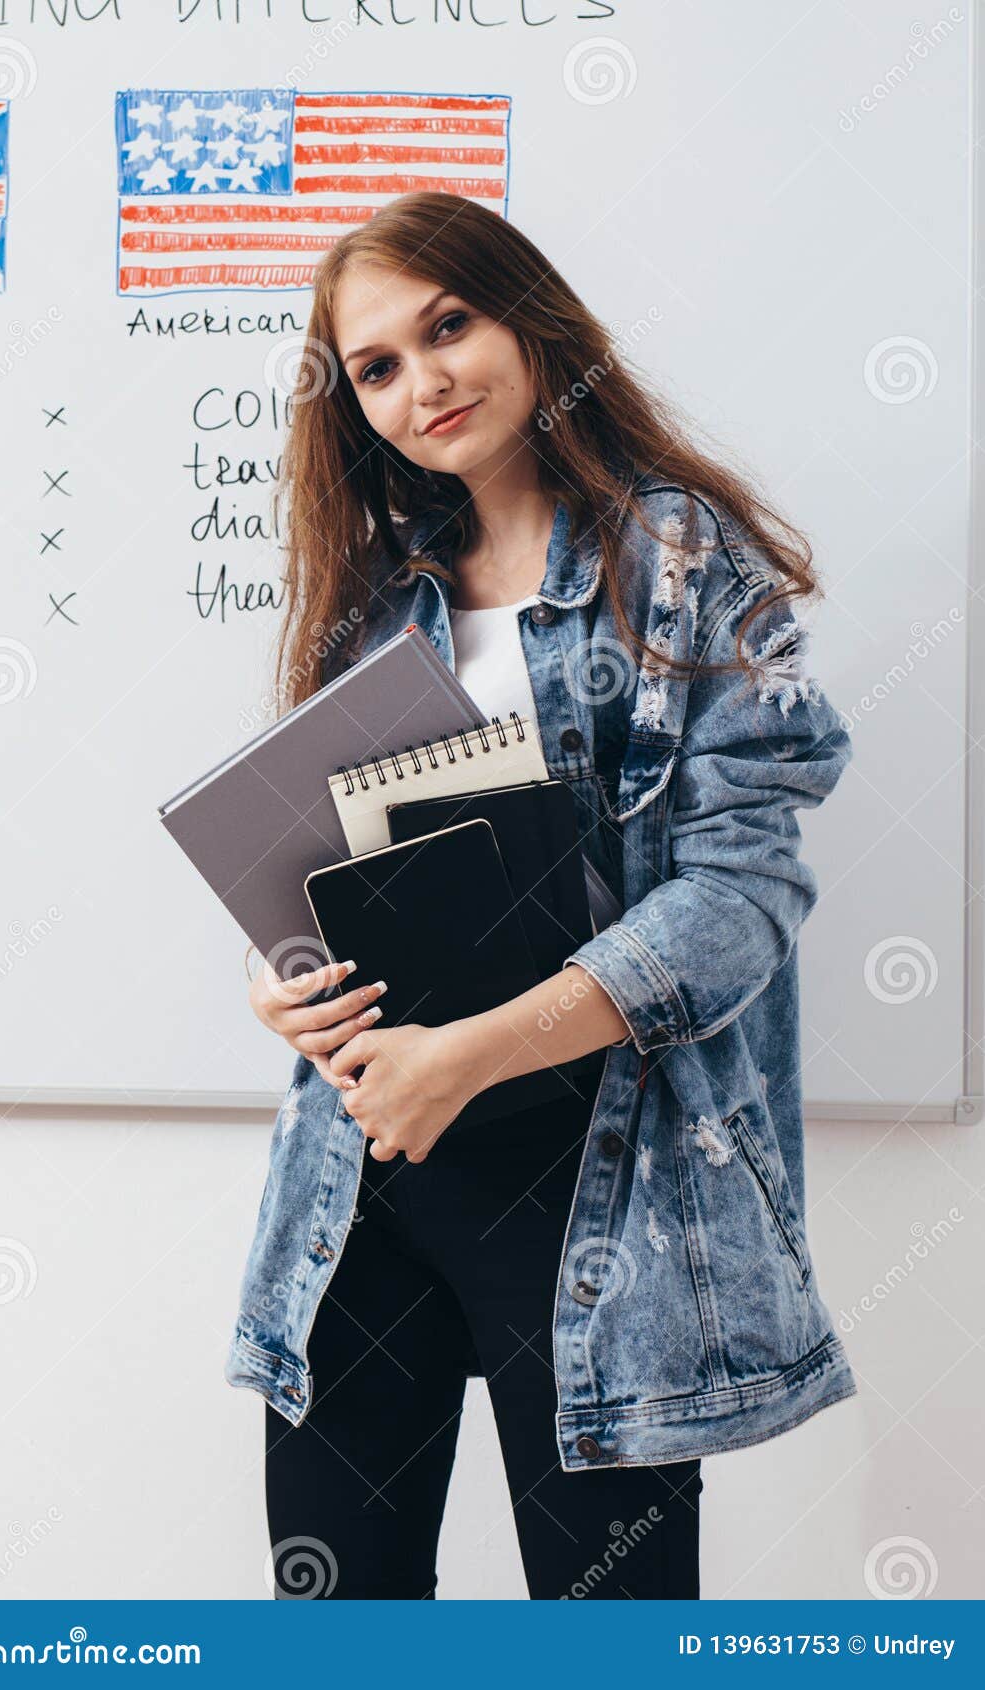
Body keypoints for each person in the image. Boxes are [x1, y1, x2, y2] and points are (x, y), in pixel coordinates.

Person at [226, 190, 857, 1600]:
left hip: (602, 1189)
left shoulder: (684, 562)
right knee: (340, 1620)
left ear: (529, 317)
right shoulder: (383, 601)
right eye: (375, 366)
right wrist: (286, 976)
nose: (422, 380)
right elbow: (341, 881)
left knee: (607, 1635)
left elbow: (737, 900)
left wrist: (475, 1052)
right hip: (366, 1178)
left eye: (447, 325)